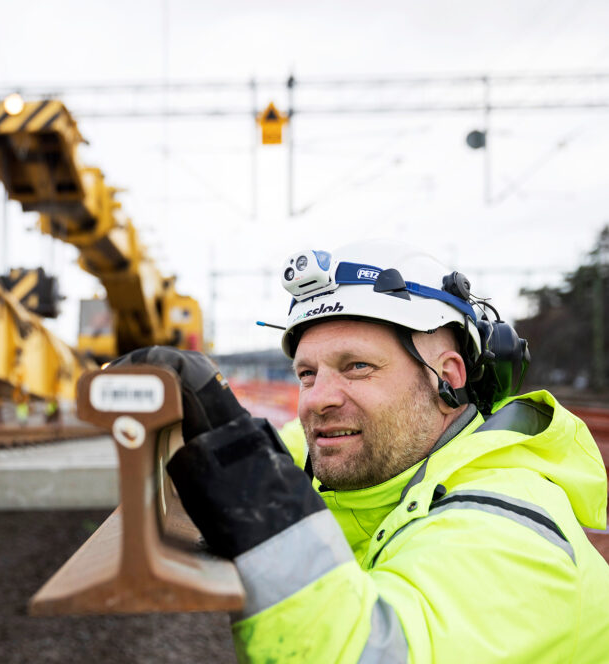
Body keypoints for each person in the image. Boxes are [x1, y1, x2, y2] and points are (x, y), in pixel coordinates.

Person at [113, 240, 609, 663]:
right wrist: (207, 426)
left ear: (448, 379)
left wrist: (255, 494)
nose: (317, 400)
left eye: (357, 367)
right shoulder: (379, 461)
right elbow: (281, 452)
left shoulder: (508, 532)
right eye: (307, 374)